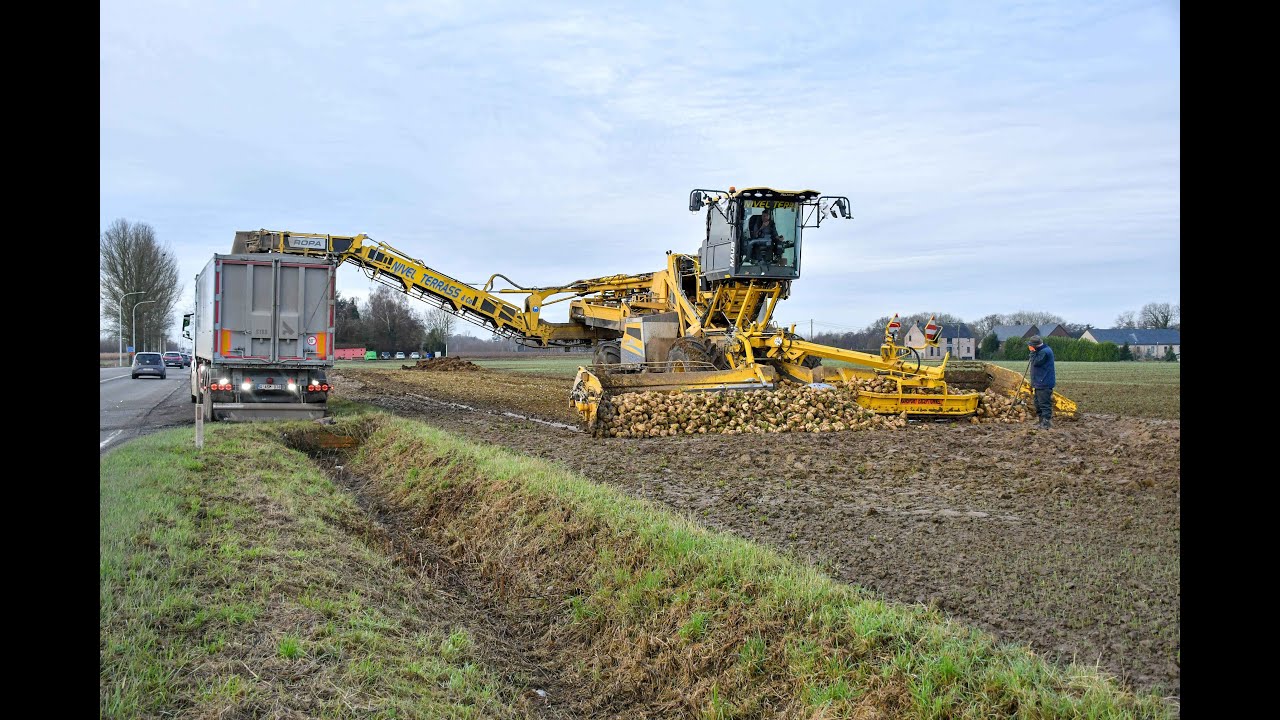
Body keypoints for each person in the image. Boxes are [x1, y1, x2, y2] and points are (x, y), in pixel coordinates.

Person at [1027, 335, 1056, 429]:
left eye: (1031, 345)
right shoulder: (1042, 350)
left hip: (1044, 382)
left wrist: (1032, 352)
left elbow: (1036, 362)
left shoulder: (1044, 352)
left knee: (1044, 404)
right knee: (1037, 403)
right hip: (1039, 382)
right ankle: (1041, 421)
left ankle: (1046, 423)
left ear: (1035, 345)